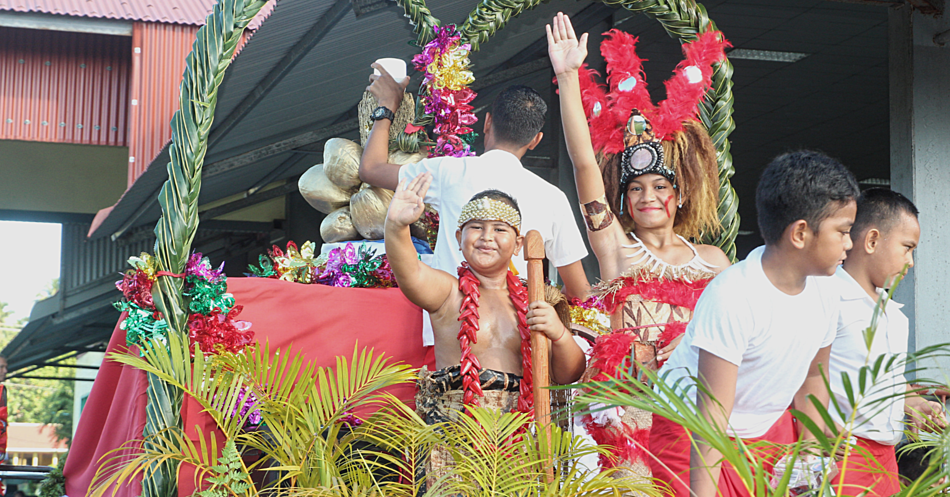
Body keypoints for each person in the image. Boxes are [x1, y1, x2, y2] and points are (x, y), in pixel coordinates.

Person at [545, 13, 731, 482]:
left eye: (659, 186)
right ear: (623, 200)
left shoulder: (714, 262)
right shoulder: (615, 248)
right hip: (631, 417)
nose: (648, 198)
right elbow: (585, 165)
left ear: (680, 193)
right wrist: (568, 77)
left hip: (696, 414)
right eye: (636, 189)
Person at [652, 150, 860, 497]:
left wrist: (808, 458)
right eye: (843, 231)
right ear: (800, 234)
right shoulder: (734, 296)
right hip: (691, 432)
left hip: (766, 430)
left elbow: (813, 377)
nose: (849, 244)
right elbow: (711, 419)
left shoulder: (828, 289)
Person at [385, 172, 586, 485]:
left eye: (499, 229)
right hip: (455, 432)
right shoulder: (448, 292)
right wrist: (396, 227)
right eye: (475, 227)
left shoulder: (535, 300)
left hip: (515, 437)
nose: (486, 236)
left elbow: (568, 373)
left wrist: (558, 333)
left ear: (518, 243)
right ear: (457, 238)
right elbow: (409, 273)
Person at [359, 73, 591, 309]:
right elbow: (579, 291)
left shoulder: (448, 172)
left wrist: (387, 106)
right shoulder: (552, 198)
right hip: (517, 338)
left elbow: (371, 169)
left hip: (448, 330)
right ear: (535, 140)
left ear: (487, 122)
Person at [826, 188, 945, 496]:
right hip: (840, 456)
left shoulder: (893, 312)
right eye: (907, 248)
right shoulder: (827, 299)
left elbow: (885, 379)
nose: (910, 263)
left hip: (884, 459)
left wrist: (914, 403)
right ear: (872, 240)